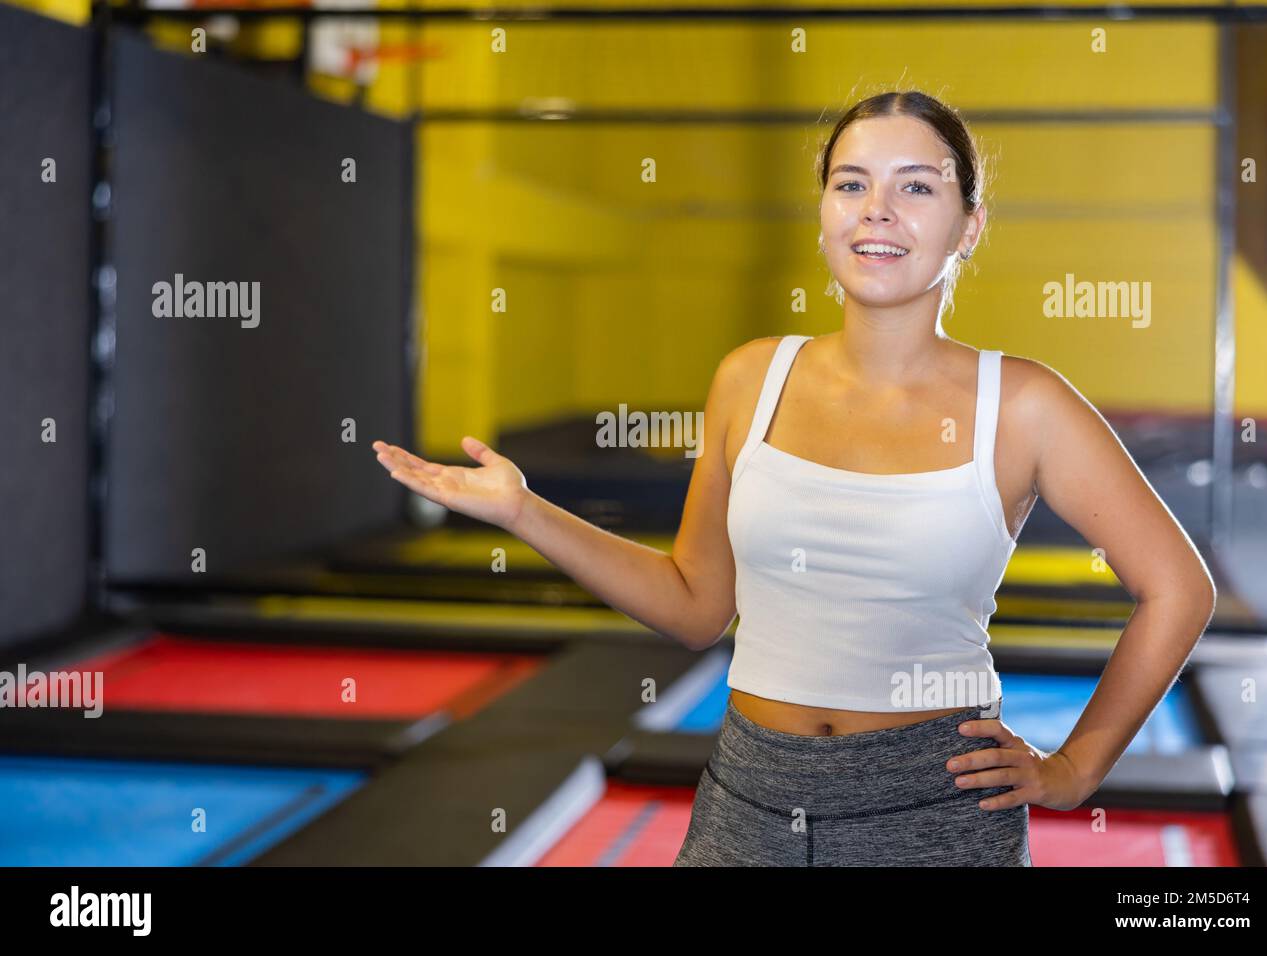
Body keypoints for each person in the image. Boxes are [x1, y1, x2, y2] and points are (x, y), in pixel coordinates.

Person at [373, 89, 1217, 866]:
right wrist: (524, 511)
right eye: (851, 184)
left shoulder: (1025, 404)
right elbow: (697, 604)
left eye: (916, 187)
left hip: (934, 807)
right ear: (823, 217)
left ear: (968, 225)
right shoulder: (751, 377)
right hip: (751, 800)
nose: (877, 210)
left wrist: (1075, 768)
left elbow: (1178, 589)